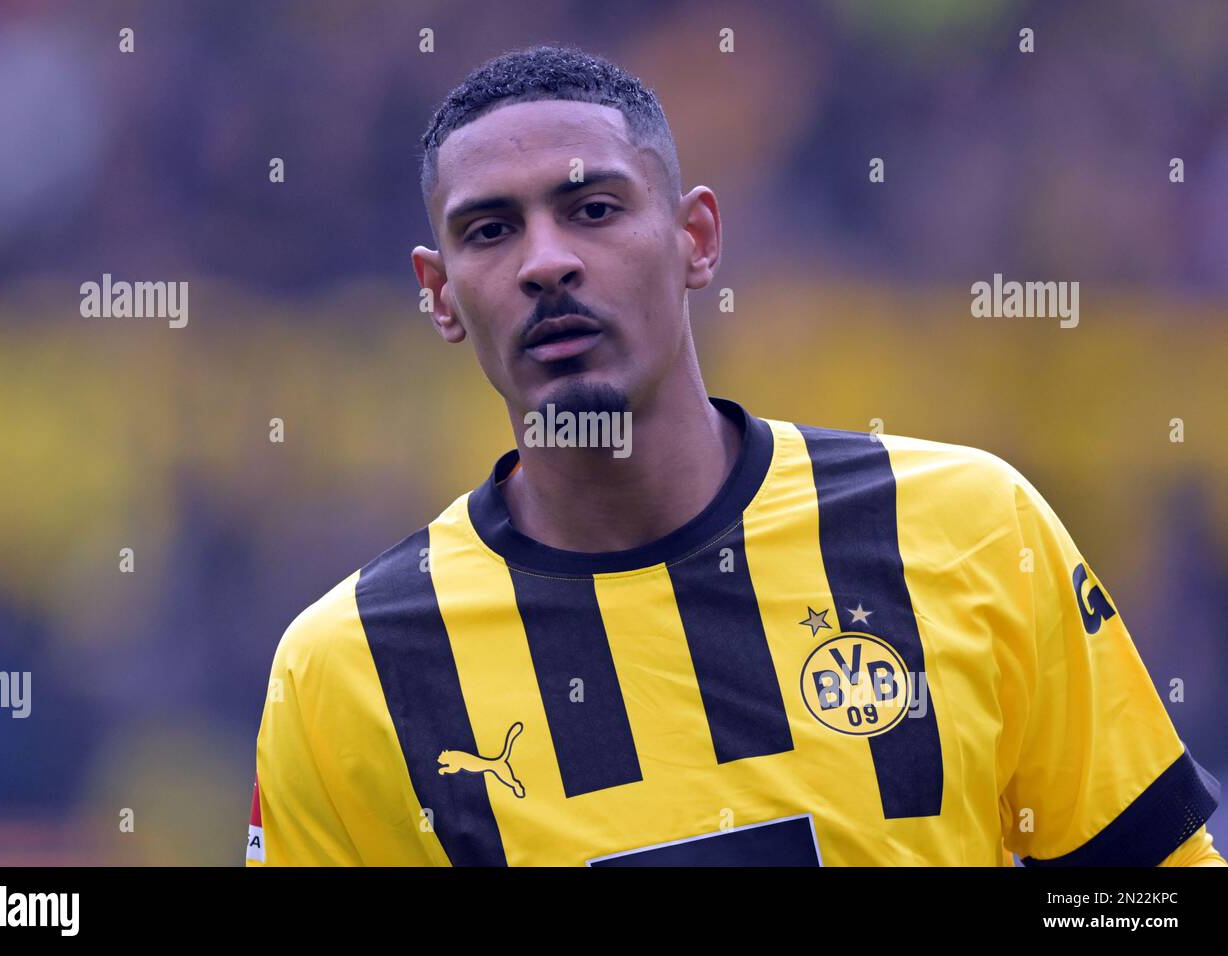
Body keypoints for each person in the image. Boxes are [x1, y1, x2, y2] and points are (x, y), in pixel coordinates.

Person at [246, 44, 1221, 866]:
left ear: (695, 238)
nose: (545, 260)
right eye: (491, 229)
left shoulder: (969, 528)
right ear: (442, 295)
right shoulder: (348, 671)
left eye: (592, 209)